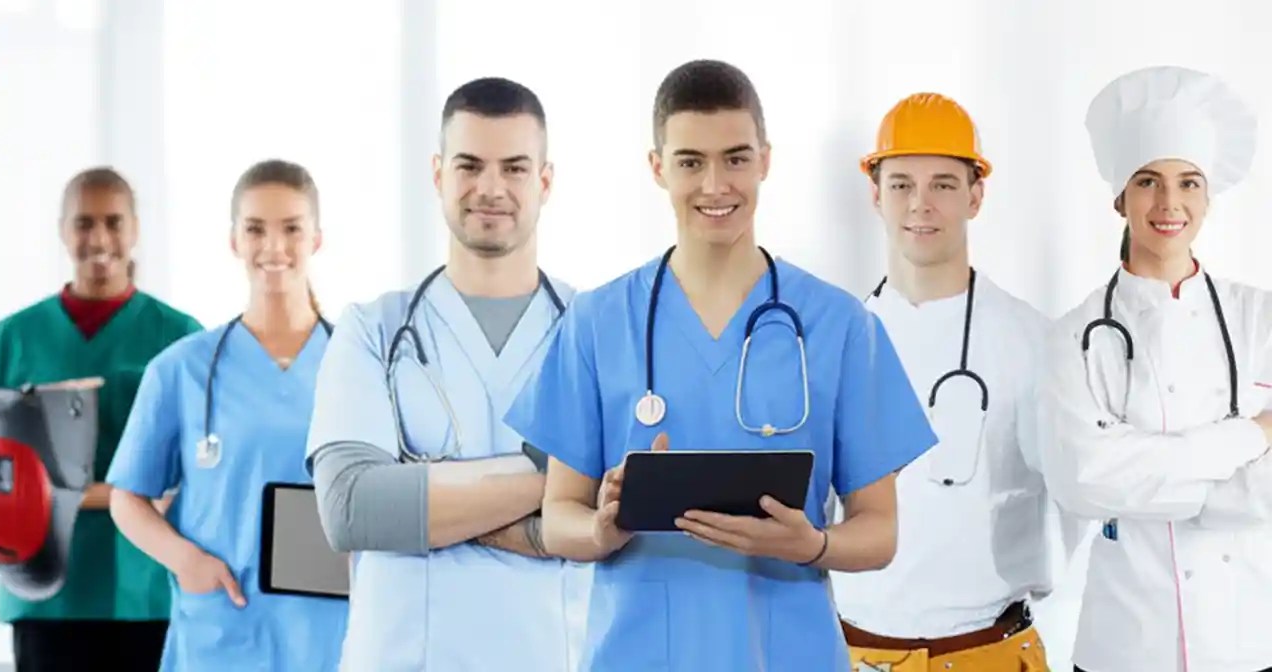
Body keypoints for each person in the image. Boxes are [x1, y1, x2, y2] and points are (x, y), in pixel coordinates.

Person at [503, 59, 938, 672]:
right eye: (690, 162)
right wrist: (604, 528)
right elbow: (558, 519)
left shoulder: (839, 326)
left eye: (735, 158)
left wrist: (812, 544)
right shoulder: (597, 323)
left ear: (765, 159)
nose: (715, 185)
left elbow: (880, 533)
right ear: (658, 167)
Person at [305, 77, 588, 671]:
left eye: (514, 168)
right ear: (438, 175)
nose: (490, 188)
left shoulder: (597, 334)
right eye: (469, 166)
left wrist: (424, 490)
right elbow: (352, 508)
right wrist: (560, 477)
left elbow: (630, 496)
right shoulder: (373, 331)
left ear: (545, 181)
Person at [1039, 65, 1272, 672]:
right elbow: (1082, 481)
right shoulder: (1075, 336)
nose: (1170, 203)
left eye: (1189, 183)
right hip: (1123, 644)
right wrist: (1250, 436)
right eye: (1148, 181)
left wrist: (1141, 475)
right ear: (1120, 196)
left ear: (1208, 196)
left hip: (1242, 642)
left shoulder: (1263, 320)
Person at [830, 92, 1067, 671]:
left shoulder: (1034, 340)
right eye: (902, 183)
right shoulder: (834, 341)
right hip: (854, 654)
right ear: (875, 195)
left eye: (943, 184)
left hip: (990, 652)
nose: (921, 204)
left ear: (976, 195)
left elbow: (1082, 497)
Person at [105, 159, 348, 670]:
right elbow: (127, 498)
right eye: (256, 228)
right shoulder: (184, 369)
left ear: (318, 239)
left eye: (292, 229)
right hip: (223, 623)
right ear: (234, 240)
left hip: (330, 630)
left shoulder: (359, 364)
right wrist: (185, 561)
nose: (274, 247)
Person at [0, 168, 201, 672]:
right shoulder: (13, 338)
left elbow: (202, 459)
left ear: (135, 230)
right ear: (63, 230)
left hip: (145, 589)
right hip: (47, 592)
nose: (99, 238)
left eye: (113, 221)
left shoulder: (181, 338)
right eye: (84, 222)